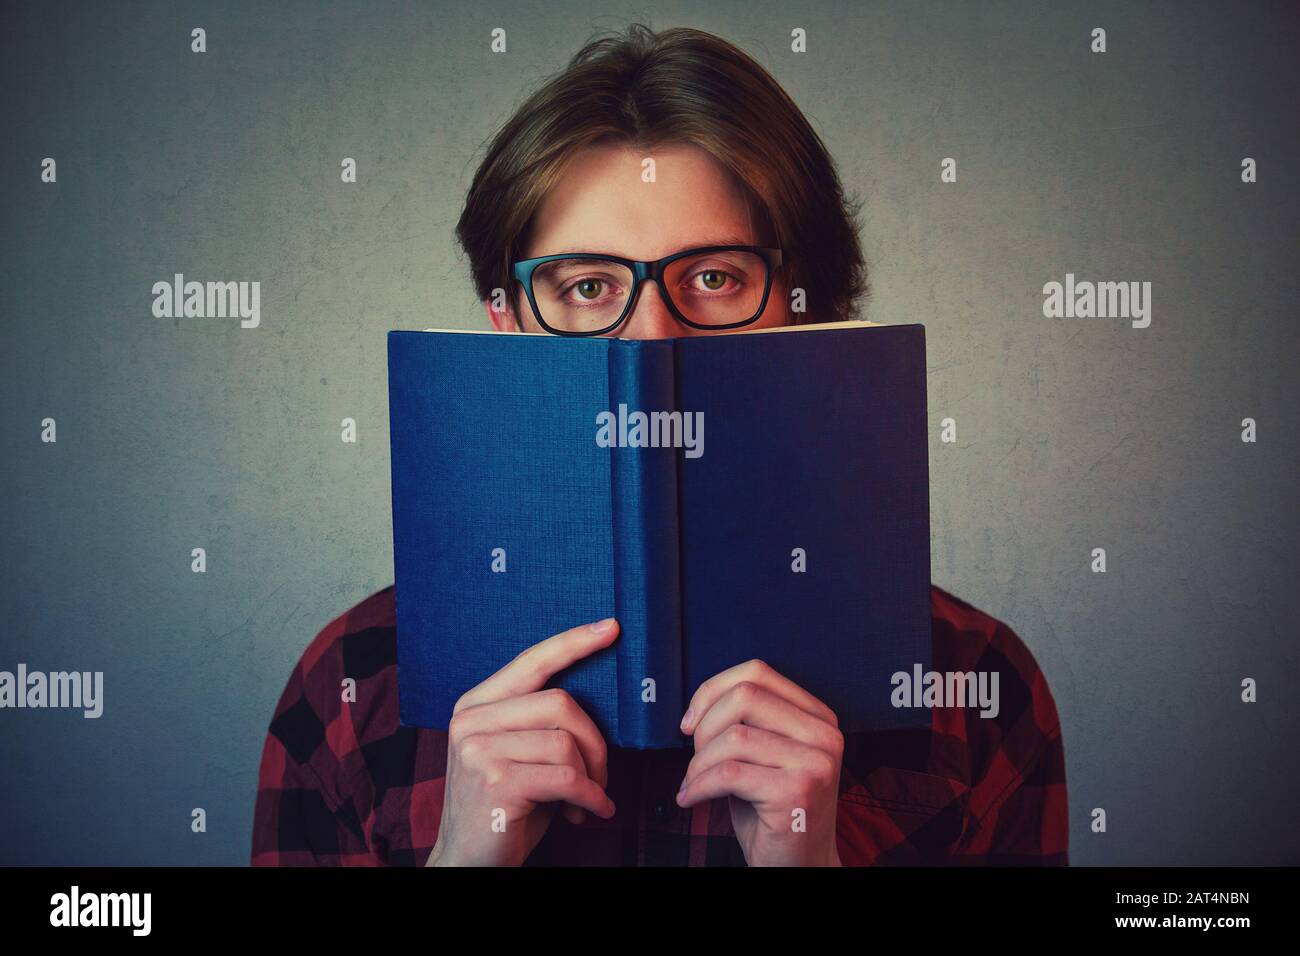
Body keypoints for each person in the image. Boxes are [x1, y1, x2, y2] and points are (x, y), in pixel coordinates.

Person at [252, 23, 1068, 866]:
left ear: (805, 305)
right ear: (508, 323)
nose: (649, 339)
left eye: (714, 278)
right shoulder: (349, 689)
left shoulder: (978, 689)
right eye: (587, 285)